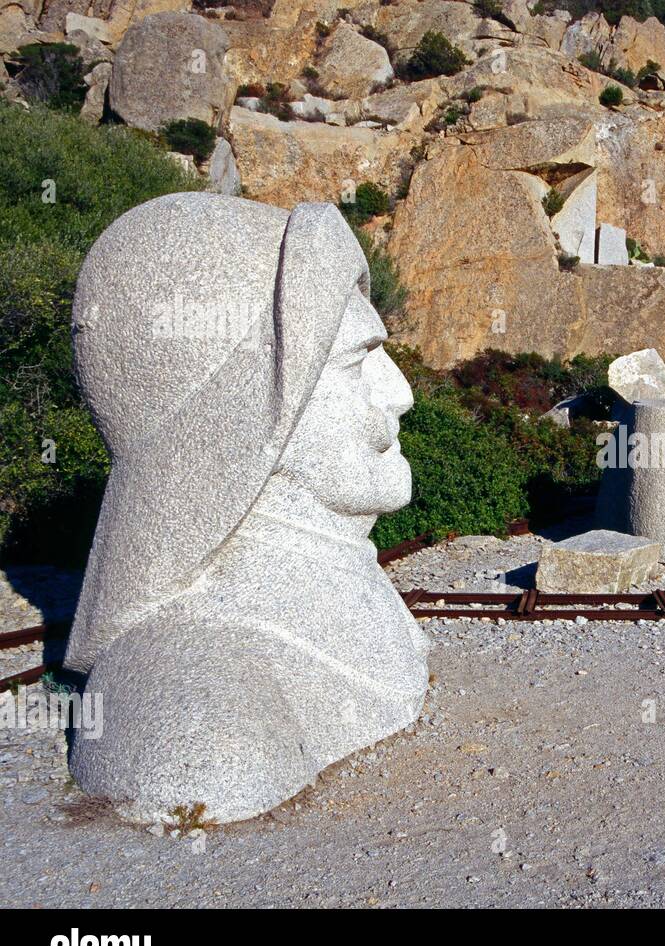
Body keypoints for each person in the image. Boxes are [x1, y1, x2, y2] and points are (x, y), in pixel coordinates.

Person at [66, 193, 429, 824]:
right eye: (354, 360)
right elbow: (196, 780)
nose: (399, 393)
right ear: (241, 415)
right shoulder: (197, 716)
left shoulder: (340, 591)